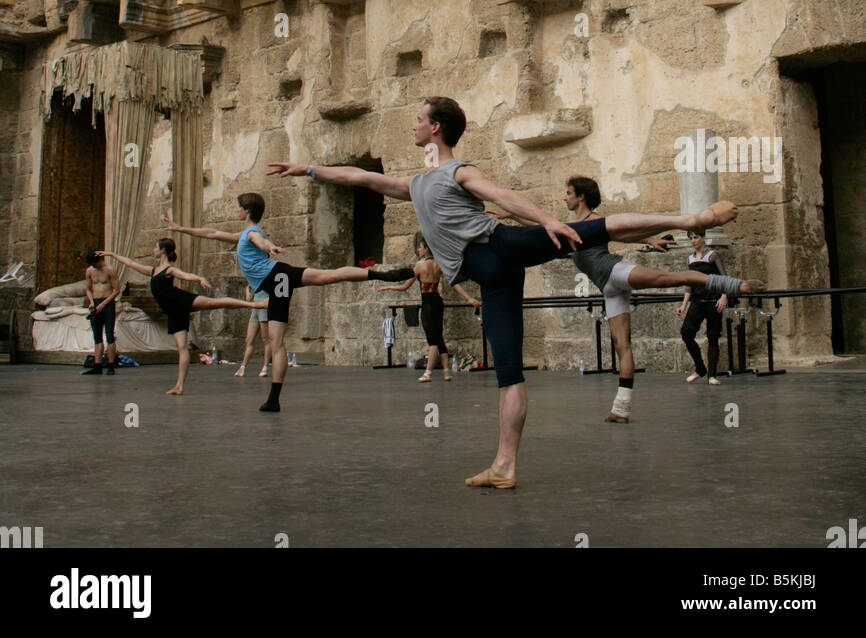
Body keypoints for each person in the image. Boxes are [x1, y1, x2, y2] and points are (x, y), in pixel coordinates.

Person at [267, 96, 745, 488]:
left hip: (498, 245)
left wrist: (547, 221)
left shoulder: (457, 172)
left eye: (417, 119)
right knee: (508, 371)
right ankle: (504, 465)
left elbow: (500, 196)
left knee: (590, 230)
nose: (412, 126)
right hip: (494, 276)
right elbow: (361, 177)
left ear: (436, 129)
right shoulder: (414, 184)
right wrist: (309, 170)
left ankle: (690, 219)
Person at [166, 194, 411, 413]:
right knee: (324, 281)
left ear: (247, 211)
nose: (236, 211)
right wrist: (180, 229)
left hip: (277, 277)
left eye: (239, 207)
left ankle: (273, 399)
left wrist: (268, 246)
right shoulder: (241, 235)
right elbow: (212, 233)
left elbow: (260, 242)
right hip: (276, 279)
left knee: (283, 333)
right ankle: (381, 275)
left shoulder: (252, 233)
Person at [563, 178, 756, 421]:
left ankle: (733, 284)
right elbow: (538, 226)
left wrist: (647, 239)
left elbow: (622, 231)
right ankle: (621, 408)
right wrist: (511, 215)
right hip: (607, 288)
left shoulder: (594, 221)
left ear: (581, 197)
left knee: (666, 278)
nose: (564, 197)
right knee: (621, 344)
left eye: (568, 193)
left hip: (615, 271)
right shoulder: (568, 227)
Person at [97, 239, 264, 396]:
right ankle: (179, 385)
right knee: (182, 348)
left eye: (156, 247)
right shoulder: (153, 271)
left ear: (162, 251)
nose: (153, 250)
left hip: (181, 301)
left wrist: (199, 277)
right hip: (174, 312)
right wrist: (112, 255)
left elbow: (184, 275)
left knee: (215, 303)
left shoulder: (168, 270)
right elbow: (131, 264)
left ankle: (254, 305)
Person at [387, 233, 481, 381]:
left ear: (426, 250)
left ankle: (428, 373)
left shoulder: (419, 267)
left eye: (420, 248)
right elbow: (454, 283)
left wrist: (388, 288)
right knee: (439, 337)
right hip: (438, 300)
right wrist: (469, 298)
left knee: (432, 339)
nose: (418, 250)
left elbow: (405, 286)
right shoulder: (439, 265)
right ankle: (446, 372)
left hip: (428, 302)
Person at [677, 229, 730, 385]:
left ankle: (712, 375)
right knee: (686, 333)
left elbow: (724, 277)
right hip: (697, 300)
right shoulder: (690, 259)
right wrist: (684, 304)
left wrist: (724, 296)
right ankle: (700, 368)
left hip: (713, 300)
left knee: (712, 336)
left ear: (703, 238)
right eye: (691, 238)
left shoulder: (712, 255)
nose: (694, 240)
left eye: (696, 237)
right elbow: (689, 283)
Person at [82, 250, 120, 377]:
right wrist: (92, 302)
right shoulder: (90, 271)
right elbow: (88, 288)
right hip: (96, 302)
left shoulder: (109, 270)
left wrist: (104, 304)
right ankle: (97, 365)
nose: (94, 267)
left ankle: (110, 364)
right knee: (97, 336)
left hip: (107, 302)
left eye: (95, 264)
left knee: (109, 334)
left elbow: (116, 290)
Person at [235, 282, 272, 378]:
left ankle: (265, 367)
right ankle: (243, 367)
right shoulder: (255, 274)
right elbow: (248, 285)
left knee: (265, 339)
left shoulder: (267, 273)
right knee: (249, 339)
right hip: (255, 306)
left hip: (264, 306)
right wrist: (248, 292)